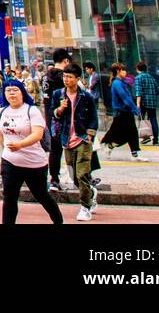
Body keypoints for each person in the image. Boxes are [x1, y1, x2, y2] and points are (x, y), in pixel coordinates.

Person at [0, 78, 62, 224]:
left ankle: (58, 220)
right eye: (8, 91)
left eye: (15, 90)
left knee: (41, 195)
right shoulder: (2, 111)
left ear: (22, 92)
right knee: (9, 198)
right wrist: (4, 155)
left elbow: (37, 135)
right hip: (10, 162)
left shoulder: (31, 110)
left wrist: (20, 145)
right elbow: (2, 135)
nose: (11, 94)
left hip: (34, 163)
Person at [50, 64, 98, 221]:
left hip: (83, 139)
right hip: (66, 139)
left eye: (70, 77)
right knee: (74, 176)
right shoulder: (58, 94)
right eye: (65, 76)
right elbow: (53, 114)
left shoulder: (86, 97)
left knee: (82, 173)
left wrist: (90, 135)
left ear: (78, 79)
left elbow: (93, 117)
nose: (66, 79)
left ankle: (85, 207)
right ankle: (90, 192)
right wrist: (60, 109)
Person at [41, 48, 71, 190]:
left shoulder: (45, 76)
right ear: (65, 61)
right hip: (63, 115)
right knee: (75, 145)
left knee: (55, 149)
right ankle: (83, 176)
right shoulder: (63, 77)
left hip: (49, 115)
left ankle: (54, 179)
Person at [98, 62, 141, 159]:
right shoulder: (117, 83)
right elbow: (125, 98)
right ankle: (110, 145)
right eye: (123, 70)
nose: (125, 72)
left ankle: (134, 154)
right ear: (118, 71)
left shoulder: (121, 82)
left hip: (125, 112)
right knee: (123, 134)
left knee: (131, 133)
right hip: (122, 112)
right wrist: (135, 110)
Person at [134, 61, 159, 145]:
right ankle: (156, 140)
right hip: (152, 102)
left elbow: (139, 91)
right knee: (153, 119)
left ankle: (145, 136)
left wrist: (138, 104)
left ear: (137, 69)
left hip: (143, 102)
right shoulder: (151, 77)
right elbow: (157, 91)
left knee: (141, 119)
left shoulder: (139, 77)